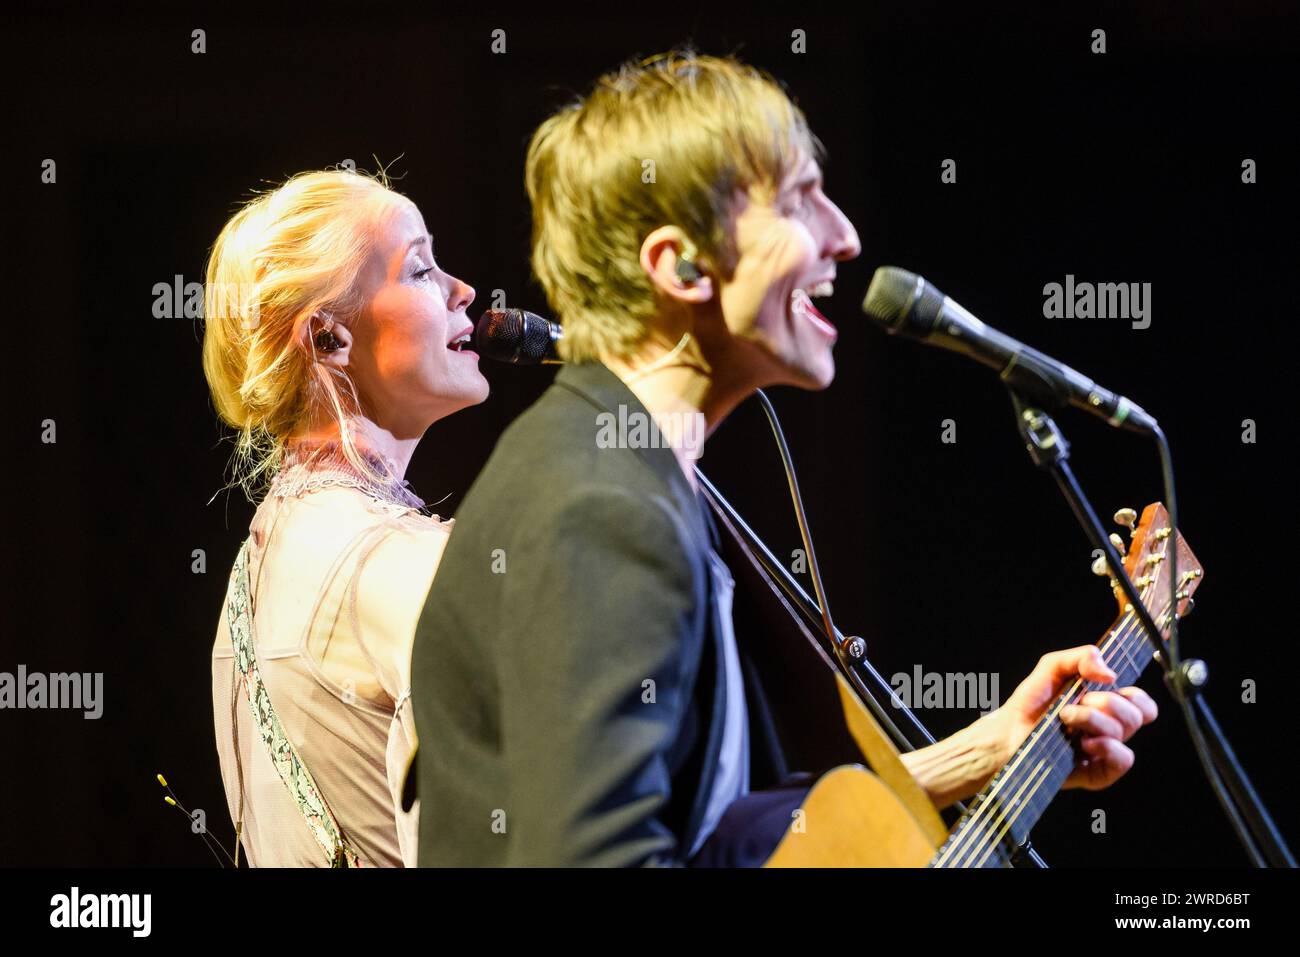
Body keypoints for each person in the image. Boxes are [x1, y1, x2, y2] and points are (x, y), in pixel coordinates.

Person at [409, 52, 1157, 867]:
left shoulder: (629, 473)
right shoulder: (600, 504)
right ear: (681, 264)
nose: (845, 235)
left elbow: (726, 835)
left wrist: (991, 747)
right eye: (800, 200)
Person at [203, 169, 487, 866]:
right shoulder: (398, 559)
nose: (463, 291)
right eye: (419, 268)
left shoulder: (256, 563)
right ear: (328, 339)